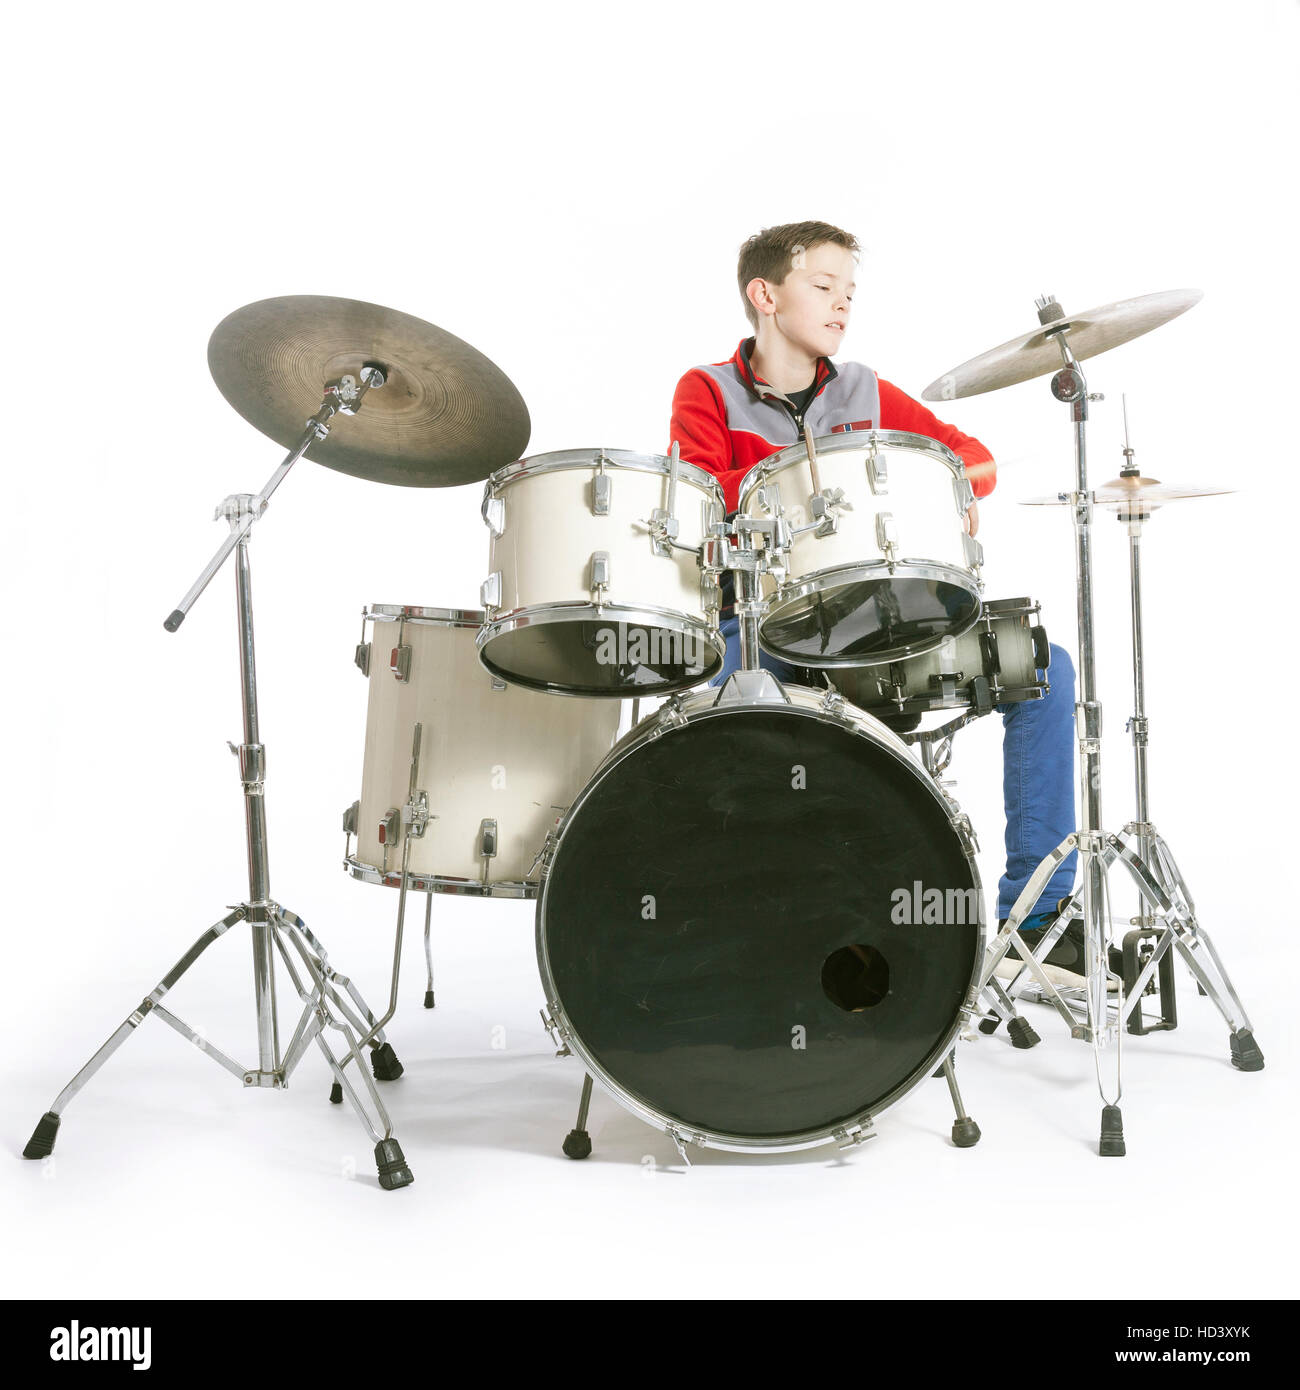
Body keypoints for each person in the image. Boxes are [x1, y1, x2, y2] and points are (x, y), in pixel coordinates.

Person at [668, 219, 1092, 968]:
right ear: (764, 295)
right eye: (823, 287)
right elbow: (697, 495)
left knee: (1046, 669)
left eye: (849, 292)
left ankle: (1039, 920)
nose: (841, 305)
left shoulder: (867, 389)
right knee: (733, 683)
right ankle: (761, 924)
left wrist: (962, 480)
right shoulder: (706, 390)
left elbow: (974, 456)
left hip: (889, 620)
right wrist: (803, 481)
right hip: (772, 628)